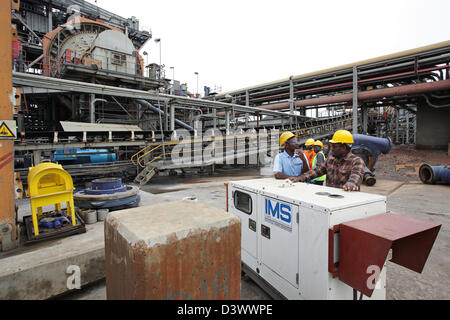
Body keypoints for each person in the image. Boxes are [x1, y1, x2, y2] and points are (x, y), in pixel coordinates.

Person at [290, 130, 365, 191]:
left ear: (344, 147)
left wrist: (351, 184)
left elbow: (356, 175)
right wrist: (300, 178)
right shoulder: (330, 160)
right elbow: (316, 171)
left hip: (346, 203)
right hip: (331, 200)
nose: (332, 149)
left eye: (334, 146)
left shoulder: (356, 161)